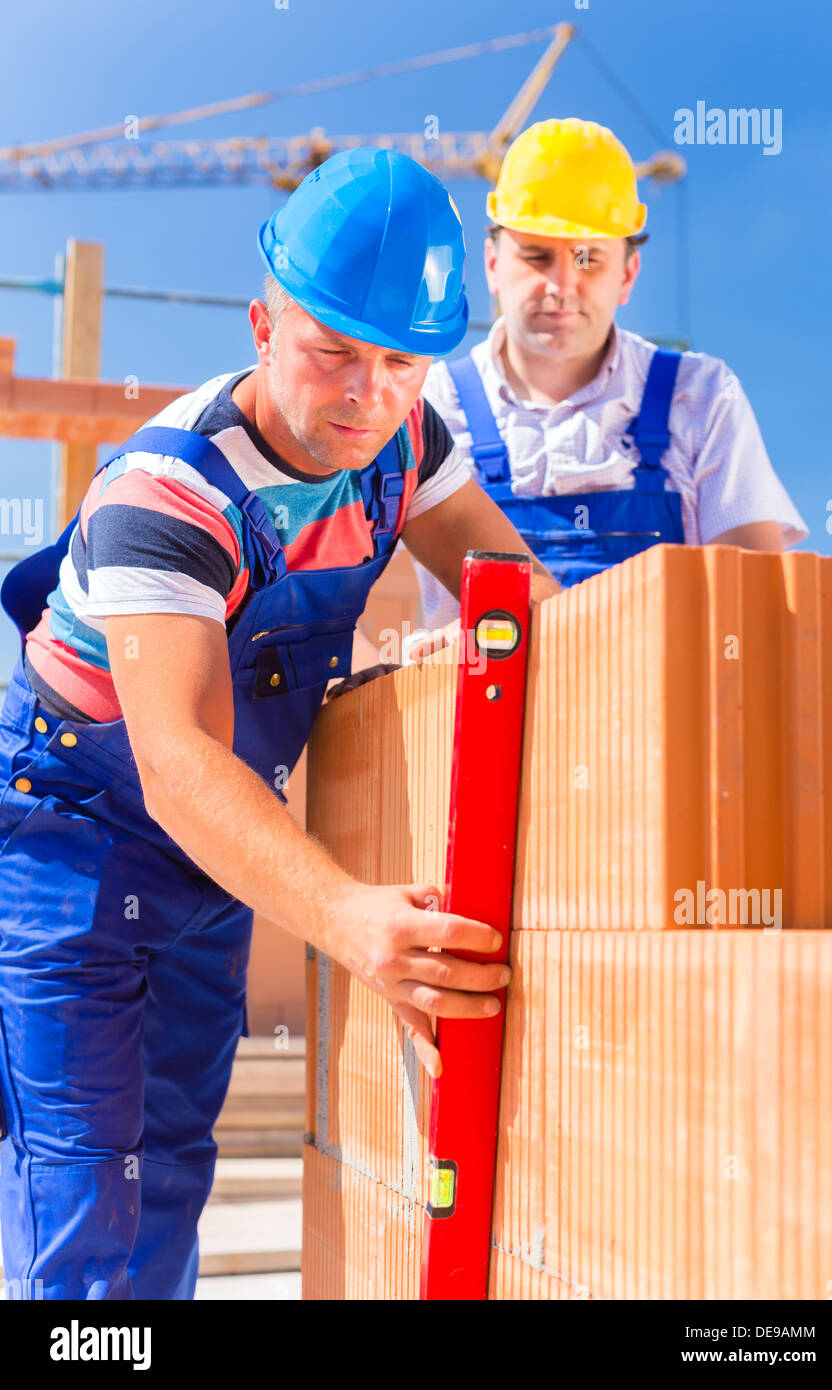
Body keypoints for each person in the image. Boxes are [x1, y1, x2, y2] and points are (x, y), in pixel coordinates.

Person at [0, 147, 560, 1300]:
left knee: (167, 1169)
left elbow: (517, 594)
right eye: (332, 353)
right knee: (85, 1190)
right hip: (74, 830)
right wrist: (349, 918)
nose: (368, 395)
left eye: (404, 361)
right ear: (263, 324)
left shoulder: (405, 444)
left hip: (216, 859)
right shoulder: (172, 492)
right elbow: (178, 761)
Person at [408, 117, 808, 635]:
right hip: (480, 715)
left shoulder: (703, 398)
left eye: (589, 259)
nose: (561, 285)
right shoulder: (427, 406)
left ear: (627, 275)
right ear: (491, 263)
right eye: (536, 255)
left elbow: (757, 608)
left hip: (663, 713)